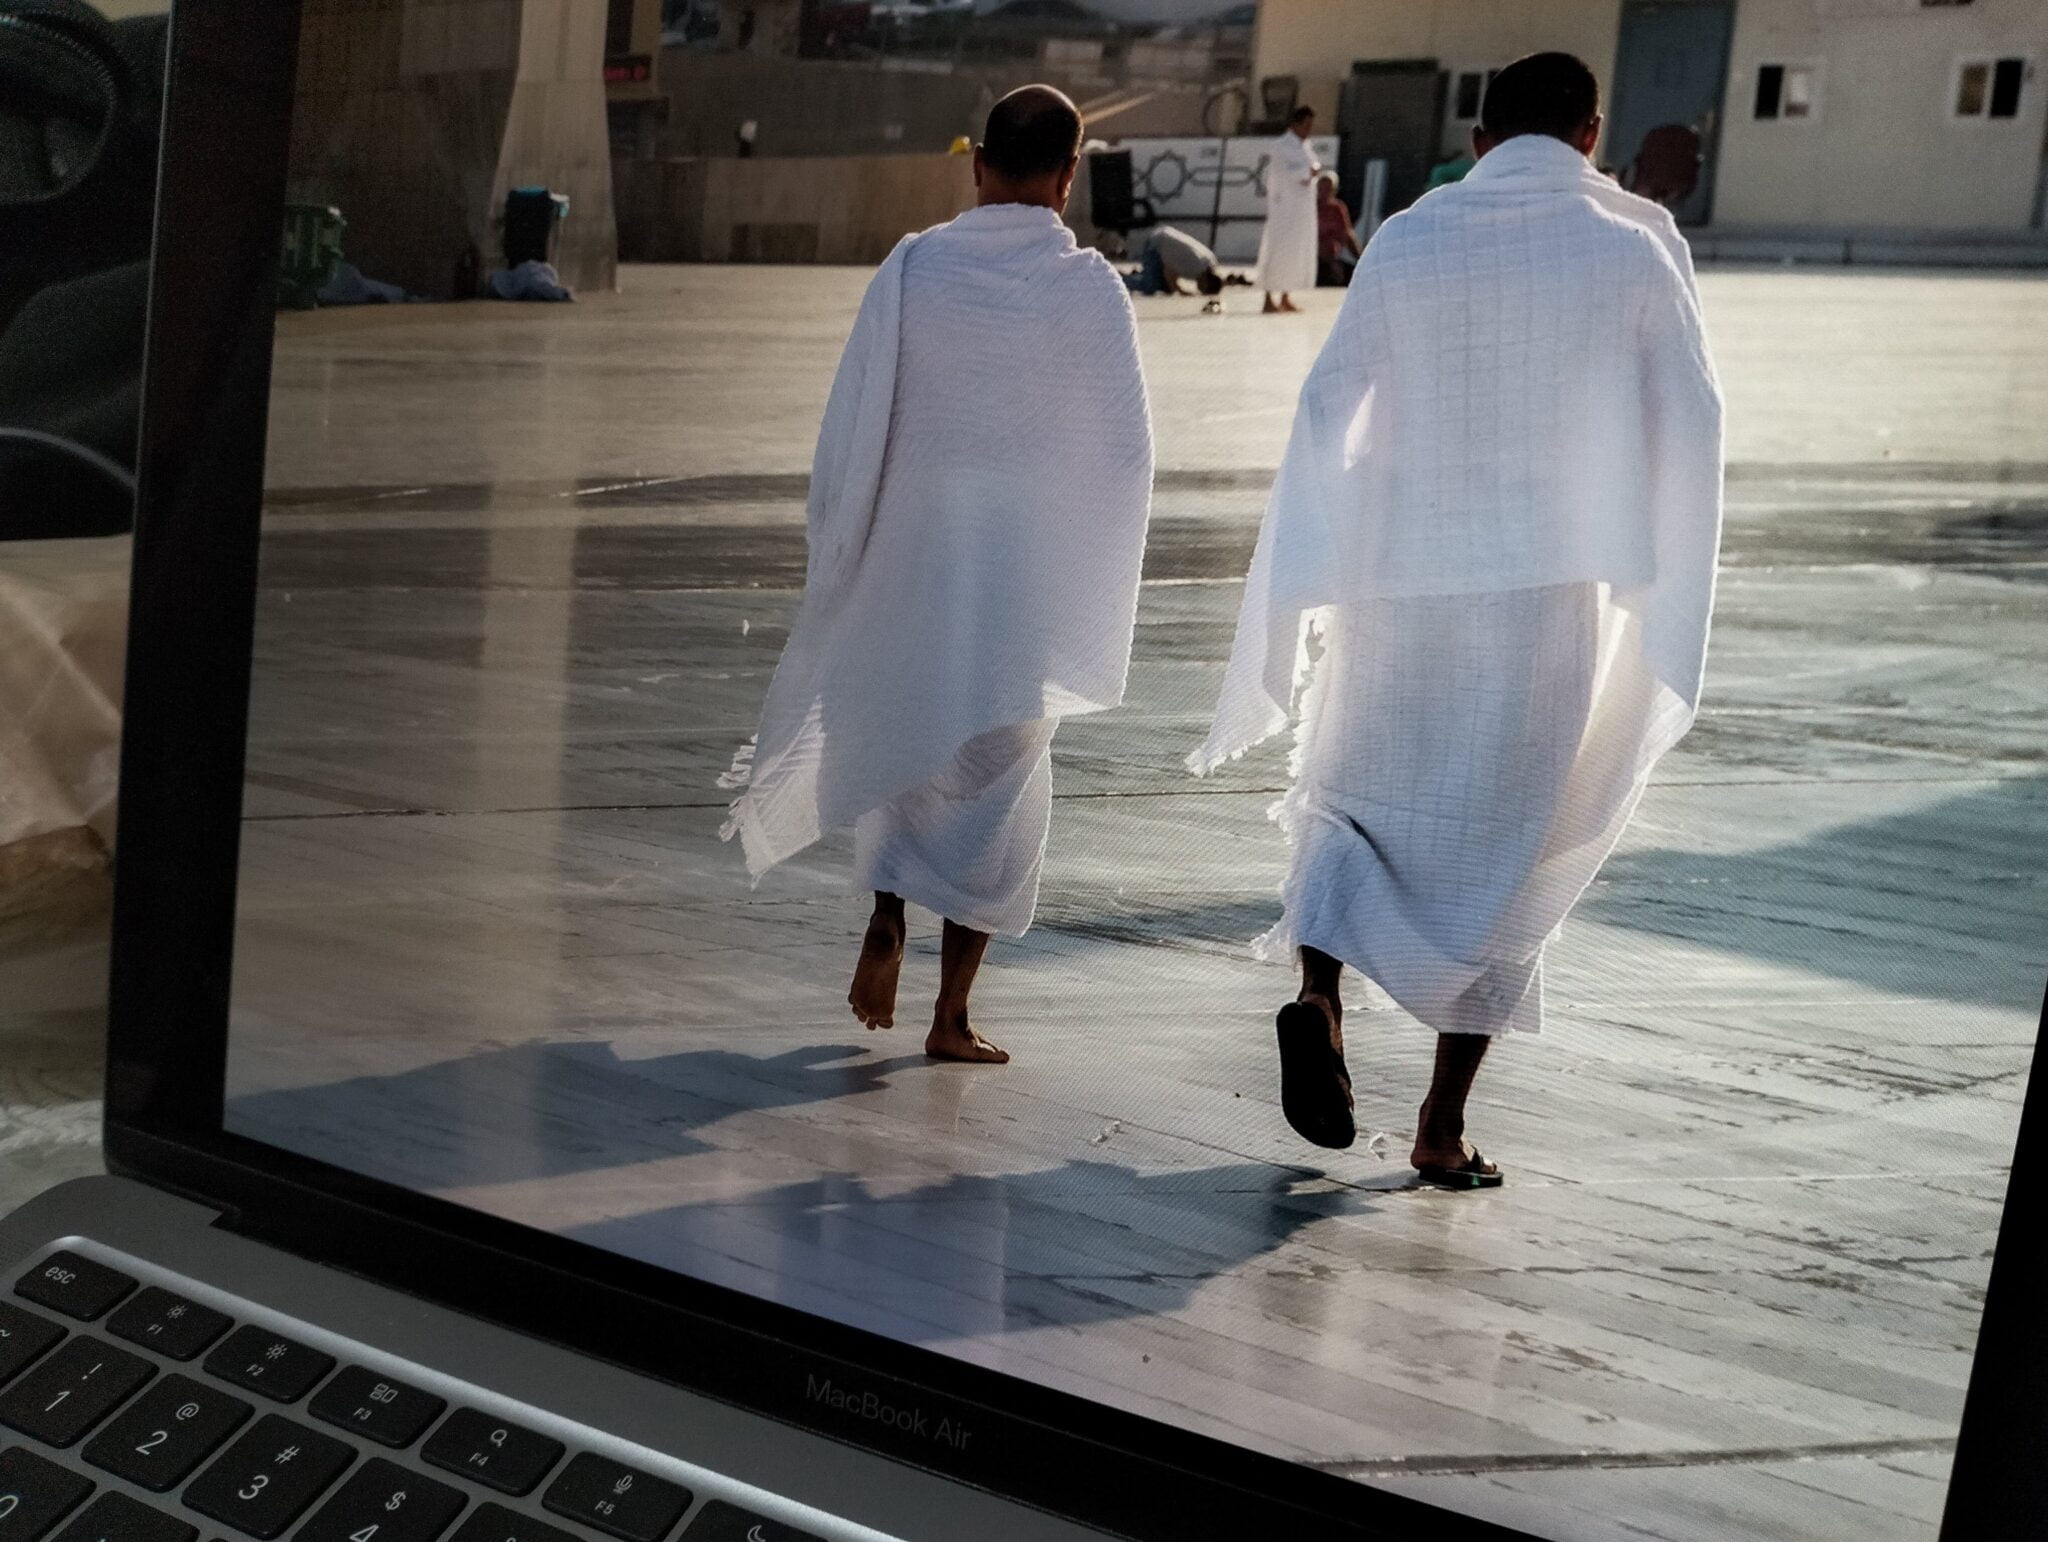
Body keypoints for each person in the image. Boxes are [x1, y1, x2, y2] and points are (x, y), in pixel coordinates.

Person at [1190, 52, 1723, 1185]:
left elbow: (1328, 399)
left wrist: (1319, 553)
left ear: (1478, 140)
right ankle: (1439, 1126)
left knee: (1350, 802)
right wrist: (1656, 580)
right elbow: (1690, 417)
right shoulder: (1631, 246)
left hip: (1396, 575)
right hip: (1542, 596)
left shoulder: (1412, 236)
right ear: (1588, 136)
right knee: (1511, 847)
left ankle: (1318, 998)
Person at [722, 85, 1155, 1066]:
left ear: (976, 164)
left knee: (904, 754)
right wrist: (1082, 561)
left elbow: (854, 418)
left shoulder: (913, 267)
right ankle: (950, 1014)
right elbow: (1124, 451)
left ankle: (886, 914)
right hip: (1020, 573)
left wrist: (843, 538)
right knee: (999, 789)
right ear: (1068, 176)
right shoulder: (1088, 286)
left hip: (918, 553)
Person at [1257, 105, 1319, 313]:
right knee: (1277, 251)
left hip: (1301, 211)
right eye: (1306, 125)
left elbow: (1312, 167)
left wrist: (1312, 171)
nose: (1309, 130)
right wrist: (1308, 172)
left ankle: (1285, 295)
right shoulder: (1281, 146)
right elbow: (1289, 173)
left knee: (1295, 253)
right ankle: (1268, 297)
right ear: (1295, 124)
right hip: (1284, 210)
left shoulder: (1305, 146)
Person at [1124, 224, 1226, 299]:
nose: (1199, 289)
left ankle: (1140, 275)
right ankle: (1120, 279)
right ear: (1206, 282)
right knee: (1150, 286)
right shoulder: (1194, 268)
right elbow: (1169, 272)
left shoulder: (1210, 262)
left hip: (1165, 237)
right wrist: (1181, 292)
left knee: (1163, 285)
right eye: (1203, 289)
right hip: (1156, 245)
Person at [1313, 174, 1361, 287]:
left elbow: (1347, 234)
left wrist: (1361, 260)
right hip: (1314, 259)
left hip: (1333, 257)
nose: (1324, 193)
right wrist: (1331, 262)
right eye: (1321, 189)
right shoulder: (1310, 208)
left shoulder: (1337, 208)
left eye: (1328, 189)